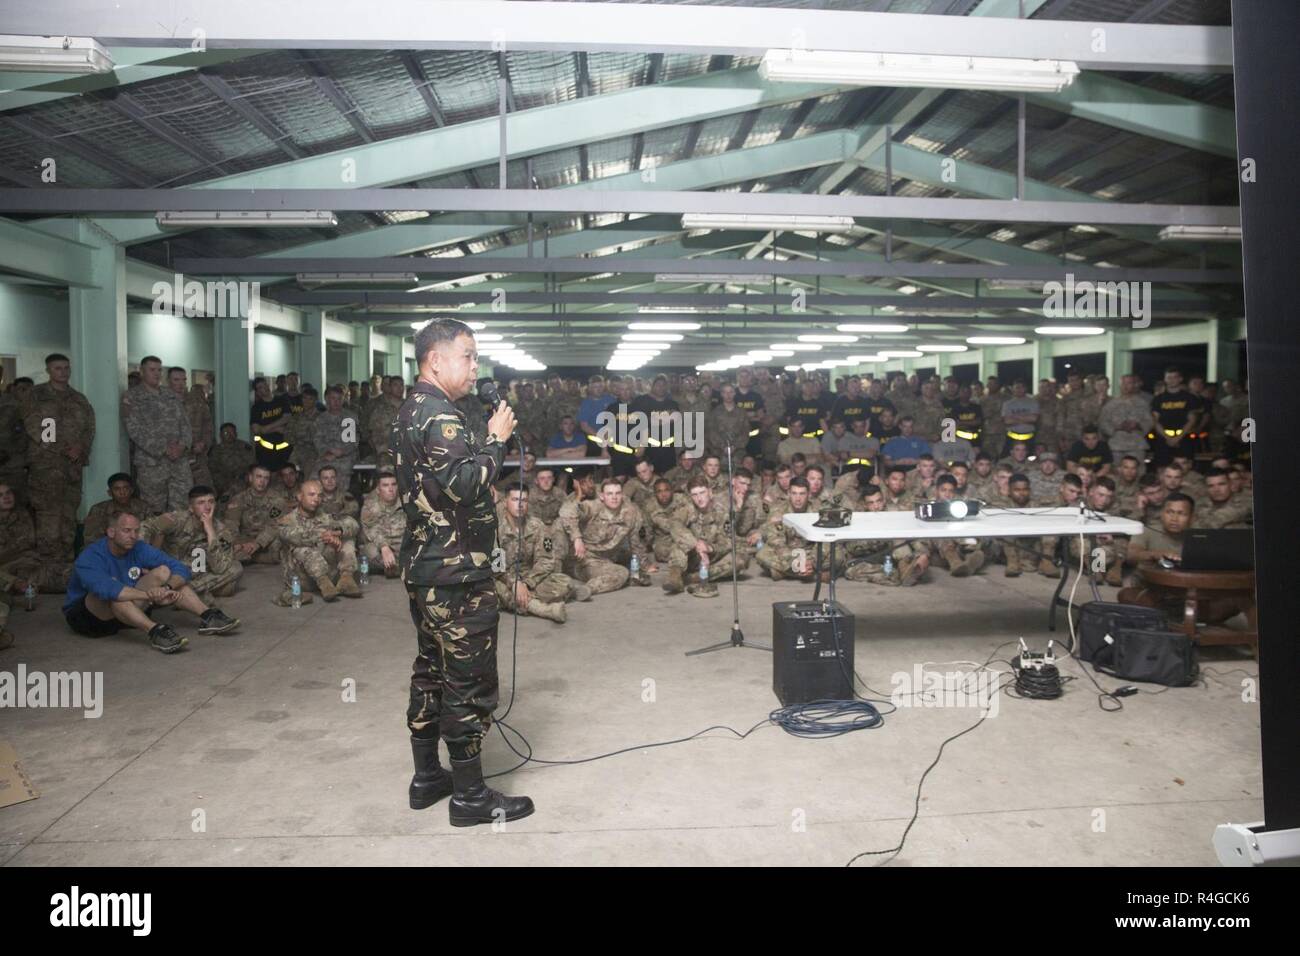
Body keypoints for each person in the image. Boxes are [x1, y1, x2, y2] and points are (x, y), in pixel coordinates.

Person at [393, 318, 533, 826]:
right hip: (456, 573)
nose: (476, 367)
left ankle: (428, 776)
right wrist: (495, 442)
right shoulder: (440, 417)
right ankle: (471, 798)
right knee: (468, 683)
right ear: (436, 360)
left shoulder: (413, 410)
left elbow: (441, 484)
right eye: (468, 356)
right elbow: (462, 484)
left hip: (428, 567)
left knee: (431, 670)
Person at [63, 510, 239, 653]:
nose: (133, 536)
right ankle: (155, 631)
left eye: (136, 531)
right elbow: (106, 589)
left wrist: (167, 588)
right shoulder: (90, 556)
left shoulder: (138, 547)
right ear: (111, 532)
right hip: (90, 619)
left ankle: (208, 616)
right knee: (116, 595)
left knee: (164, 572)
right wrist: (150, 595)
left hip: (127, 611)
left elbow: (179, 568)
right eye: (126, 531)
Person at [22, 353, 95, 562]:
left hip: (72, 468)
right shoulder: (36, 395)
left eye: (66, 368)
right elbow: (35, 426)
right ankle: (47, 568)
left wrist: (81, 447)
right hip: (46, 467)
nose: (63, 372)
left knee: (68, 518)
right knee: (48, 518)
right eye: (58, 368)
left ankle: (66, 566)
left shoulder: (79, 398)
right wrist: (64, 448)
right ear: (48, 370)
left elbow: (89, 427)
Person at [494, 486, 590, 622]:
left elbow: (546, 560)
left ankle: (526, 598)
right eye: (515, 499)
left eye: (524, 500)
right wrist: (514, 584)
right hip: (502, 577)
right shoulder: (495, 528)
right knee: (493, 589)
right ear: (505, 502)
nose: (520, 504)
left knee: (564, 582)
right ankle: (544, 609)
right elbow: (496, 568)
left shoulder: (538, 526)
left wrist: (526, 583)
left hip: (530, 575)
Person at [140, 485, 244, 598]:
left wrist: (210, 531)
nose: (207, 507)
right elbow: (145, 526)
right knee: (228, 589)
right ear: (191, 507)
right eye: (201, 503)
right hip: (171, 571)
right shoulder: (178, 519)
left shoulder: (222, 530)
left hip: (199, 573)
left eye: (211, 502)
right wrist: (143, 559)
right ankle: (192, 594)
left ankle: (185, 592)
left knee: (236, 567)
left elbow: (219, 568)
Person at [558, 476, 653, 593]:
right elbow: (566, 510)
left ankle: (625, 577)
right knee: (621, 573)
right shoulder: (593, 507)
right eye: (609, 494)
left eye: (617, 493)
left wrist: (644, 566)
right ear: (602, 496)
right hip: (584, 559)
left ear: (622, 495)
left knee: (628, 557)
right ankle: (585, 589)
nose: (614, 497)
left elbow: (636, 543)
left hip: (609, 556)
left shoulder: (631, 512)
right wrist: (577, 538)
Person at [658, 477, 747, 598]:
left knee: (740, 560)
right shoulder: (687, 509)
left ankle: (690, 578)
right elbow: (675, 525)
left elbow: (726, 540)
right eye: (694, 495)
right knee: (678, 542)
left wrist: (709, 548)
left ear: (710, 493)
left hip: (711, 556)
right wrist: (696, 544)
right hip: (691, 555)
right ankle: (674, 576)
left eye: (702, 493)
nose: (699, 498)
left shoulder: (722, 511)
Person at [277, 479, 362, 604]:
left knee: (347, 538)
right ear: (300, 496)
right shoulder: (287, 521)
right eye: (311, 494)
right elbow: (295, 536)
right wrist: (325, 536)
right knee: (302, 547)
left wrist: (336, 532)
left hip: (330, 576)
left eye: (319, 495)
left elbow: (353, 524)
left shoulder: (325, 516)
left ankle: (346, 579)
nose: (316, 499)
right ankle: (323, 582)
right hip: (303, 580)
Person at [842, 485, 929, 586]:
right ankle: (897, 573)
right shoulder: (859, 517)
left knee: (899, 537)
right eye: (871, 503)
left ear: (883, 500)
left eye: (879, 501)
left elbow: (912, 533)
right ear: (865, 505)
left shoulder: (894, 512)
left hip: (893, 553)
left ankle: (904, 567)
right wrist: (876, 540)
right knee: (850, 570)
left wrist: (923, 553)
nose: (876, 506)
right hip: (870, 557)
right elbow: (852, 548)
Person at [227, 464, 288, 564]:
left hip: (266, 539)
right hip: (245, 538)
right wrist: (237, 544)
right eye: (258, 477)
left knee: (278, 547)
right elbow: (231, 525)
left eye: (266, 478)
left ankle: (251, 558)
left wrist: (257, 543)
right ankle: (252, 556)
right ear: (251, 478)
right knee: (227, 548)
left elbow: (274, 526)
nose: (262, 481)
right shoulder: (239, 499)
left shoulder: (276, 499)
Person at [360, 472, 406, 578]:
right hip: (382, 546)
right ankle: (399, 568)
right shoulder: (370, 506)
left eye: (394, 484)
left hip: (402, 545)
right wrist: (384, 547)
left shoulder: (406, 502)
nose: (391, 489)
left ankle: (395, 568)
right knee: (369, 550)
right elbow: (371, 530)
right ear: (378, 490)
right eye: (385, 485)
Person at [83, 473, 150, 544]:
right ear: (110, 493)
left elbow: (151, 534)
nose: (122, 492)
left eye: (126, 488)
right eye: (117, 489)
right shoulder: (98, 510)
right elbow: (91, 540)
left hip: (137, 548)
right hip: (109, 550)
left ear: (131, 491)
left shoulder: (143, 507)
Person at [315, 385, 360, 490]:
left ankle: (340, 499)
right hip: (326, 455)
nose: (336, 402)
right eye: (333, 398)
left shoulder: (350, 417)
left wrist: (341, 452)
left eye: (339, 399)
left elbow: (353, 442)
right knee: (316, 473)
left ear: (343, 400)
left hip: (346, 455)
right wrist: (327, 452)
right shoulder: (321, 419)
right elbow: (318, 440)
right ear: (327, 399)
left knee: (341, 473)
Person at [208, 422, 255, 498]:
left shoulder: (245, 447)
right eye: (226, 432)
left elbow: (253, 465)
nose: (230, 435)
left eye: (232, 432)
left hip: (245, 481)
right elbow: (213, 471)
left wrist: (248, 478)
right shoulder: (215, 451)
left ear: (236, 433)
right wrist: (224, 485)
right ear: (220, 435)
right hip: (225, 484)